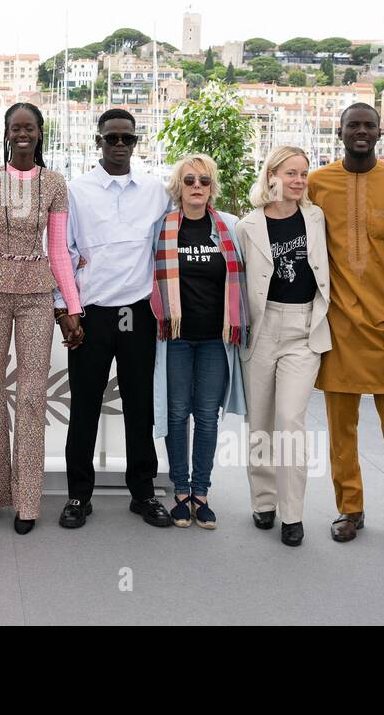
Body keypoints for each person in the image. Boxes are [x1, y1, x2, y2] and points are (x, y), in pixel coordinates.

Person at [0, 103, 82, 535]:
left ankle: (27, 502)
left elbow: (60, 251)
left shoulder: (55, 184)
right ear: (6, 133)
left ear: (40, 133)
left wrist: (72, 309)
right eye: (15, 128)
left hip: (37, 298)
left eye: (29, 128)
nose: (22, 134)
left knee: (30, 397)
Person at [307, 104, 384, 556]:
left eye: (369, 125)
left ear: (381, 132)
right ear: (339, 131)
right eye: (353, 125)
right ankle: (350, 509)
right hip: (338, 330)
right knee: (342, 430)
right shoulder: (318, 184)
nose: (361, 131)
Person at [57, 109, 173, 530]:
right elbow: (64, 253)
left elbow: (180, 233)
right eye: (112, 139)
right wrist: (64, 308)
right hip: (92, 315)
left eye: (127, 138)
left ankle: (143, 494)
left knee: (140, 408)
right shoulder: (77, 191)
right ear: (98, 142)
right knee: (84, 408)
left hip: (139, 313)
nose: (120, 145)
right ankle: (77, 496)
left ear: (136, 142)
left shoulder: (157, 191)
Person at [236, 145, 331, 547]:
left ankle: (292, 514)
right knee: (259, 421)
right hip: (262, 328)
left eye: (304, 174)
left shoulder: (315, 217)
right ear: (271, 174)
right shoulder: (248, 226)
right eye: (291, 173)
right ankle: (263, 501)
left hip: (304, 328)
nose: (298, 181)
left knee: (290, 420)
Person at [150, 154, 247, 532]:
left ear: (212, 186)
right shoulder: (161, 228)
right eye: (189, 180)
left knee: (207, 417)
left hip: (214, 340)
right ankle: (179, 490)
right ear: (178, 185)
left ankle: (201, 493)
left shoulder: (229, 227)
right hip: (175, 338)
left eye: (203, 180)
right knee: (177, 415)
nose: (196, 186)